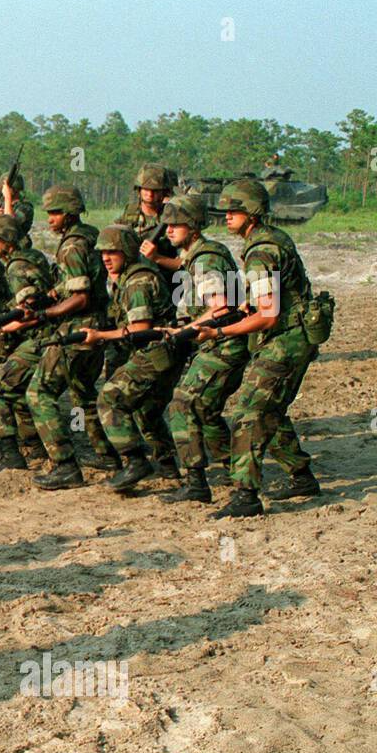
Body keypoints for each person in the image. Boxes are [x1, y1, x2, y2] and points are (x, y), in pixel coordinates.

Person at [207, 179, 320, 518]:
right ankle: (302, 476)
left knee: (247, 412)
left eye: (235, 210)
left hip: (286, 340)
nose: (227, 216)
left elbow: (268, 315)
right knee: (270, 408)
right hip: (294, 335)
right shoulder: (271, 239)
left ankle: (246, 495)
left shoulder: (261, 251)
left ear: (252, 214)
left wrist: (222, 331)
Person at [26, 185, 117, 490]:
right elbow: (77, 284)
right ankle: (108, 453)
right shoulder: (91, 235)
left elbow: (80, 296)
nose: (50, 218)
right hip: (99, 323)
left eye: (55, 212)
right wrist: (52, 294)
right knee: (82, 390)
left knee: (39, 392)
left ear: (69, 213)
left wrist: (48, 314)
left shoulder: (71, 246)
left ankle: (64, 464)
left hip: (78, 327)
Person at [77, 225, 179, 492]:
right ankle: (168, 465)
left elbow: (140, 329)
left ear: (128, 252)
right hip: (162, 353)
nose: (106, 258)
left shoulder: (137, 281)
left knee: (110, 398)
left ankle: (135, 461)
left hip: (155, 352)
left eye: (113, 252)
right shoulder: (128, 278)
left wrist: (100, 336)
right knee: (147, 410)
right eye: (103, 253)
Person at [162, 194, 248, 503]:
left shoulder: (205, 259)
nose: (169, 230)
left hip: (223, 344)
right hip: (221, 343)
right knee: (207, 409)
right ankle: (232, 467)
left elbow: (221, 308)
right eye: (167, 224)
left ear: (194, 227)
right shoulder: (199, 255)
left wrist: (182, 333)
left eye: (177, 224)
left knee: (182, 405)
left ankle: (196, 482)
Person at [0, 214, 57, 470]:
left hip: (39, 338)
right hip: (48, 334)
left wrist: (1, 329)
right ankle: (35, 444)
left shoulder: (16, 267)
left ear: (9, 241)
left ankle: (10, 455)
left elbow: (29, 314)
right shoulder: (33, 257)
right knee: (20, 392)